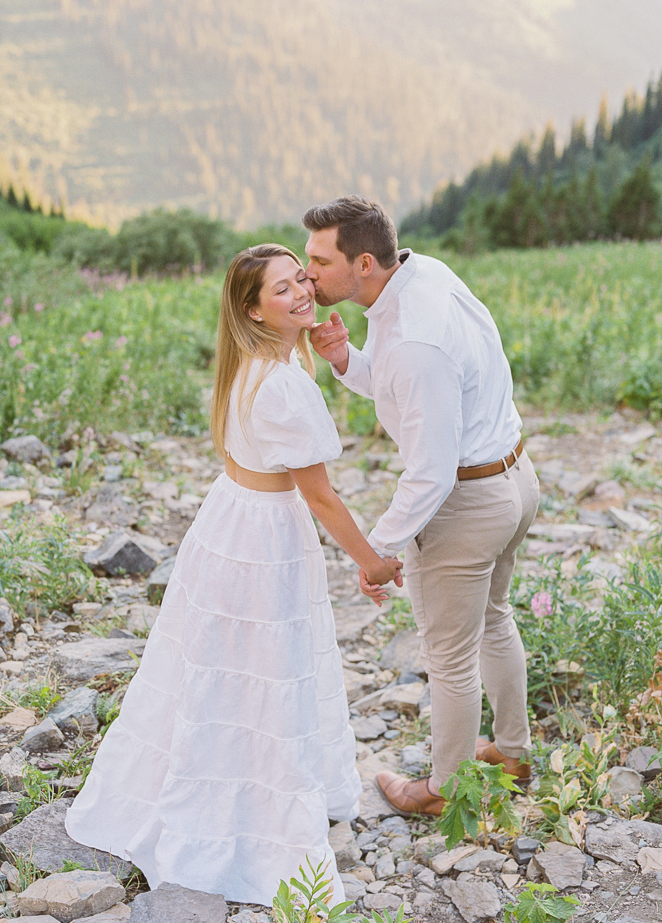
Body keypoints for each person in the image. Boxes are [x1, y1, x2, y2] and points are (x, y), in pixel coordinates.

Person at [65, 244, 402, 905]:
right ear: (254, 308)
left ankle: (206, 787)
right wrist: (373, 562)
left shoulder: (253, 364)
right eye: (283, 290)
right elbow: (323, 497)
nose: (304, 292)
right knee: (267, 669)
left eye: (302, 279)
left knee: (218, 666)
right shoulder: (283, 382)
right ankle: (247, 820)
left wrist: (330, 351)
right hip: (265, 533)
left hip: (229, 521)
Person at [303, 196, 539, 816]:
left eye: (319, 262)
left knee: (449, 657)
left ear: (363, 262)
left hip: (467, 501)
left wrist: (376, 549)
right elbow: (411, 388)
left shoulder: (414, 340)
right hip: (514, 478)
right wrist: (344, 359)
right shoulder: (423, 275)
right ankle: (513, 752)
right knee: (493, 618)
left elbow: (430, 472)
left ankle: (444, 792)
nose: (308, 276)